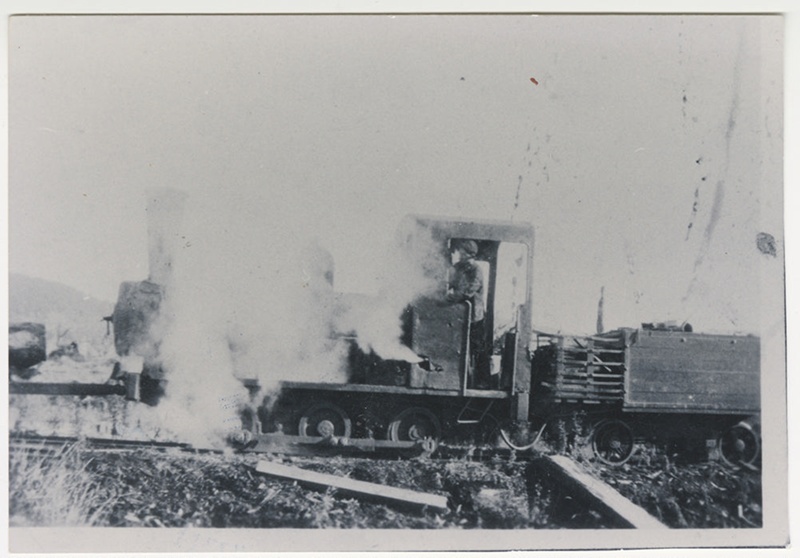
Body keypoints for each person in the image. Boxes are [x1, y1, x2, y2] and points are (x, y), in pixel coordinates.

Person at [447, 239, 489, 388]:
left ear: (469, 253)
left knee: (477, 349)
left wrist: (451, 298)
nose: (459, 253)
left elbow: (469, 291)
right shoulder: (457, 268)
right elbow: (448, 283)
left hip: (474, 317)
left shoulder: (476, 270)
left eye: (461, 251)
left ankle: (482, 381)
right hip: (459, 317)